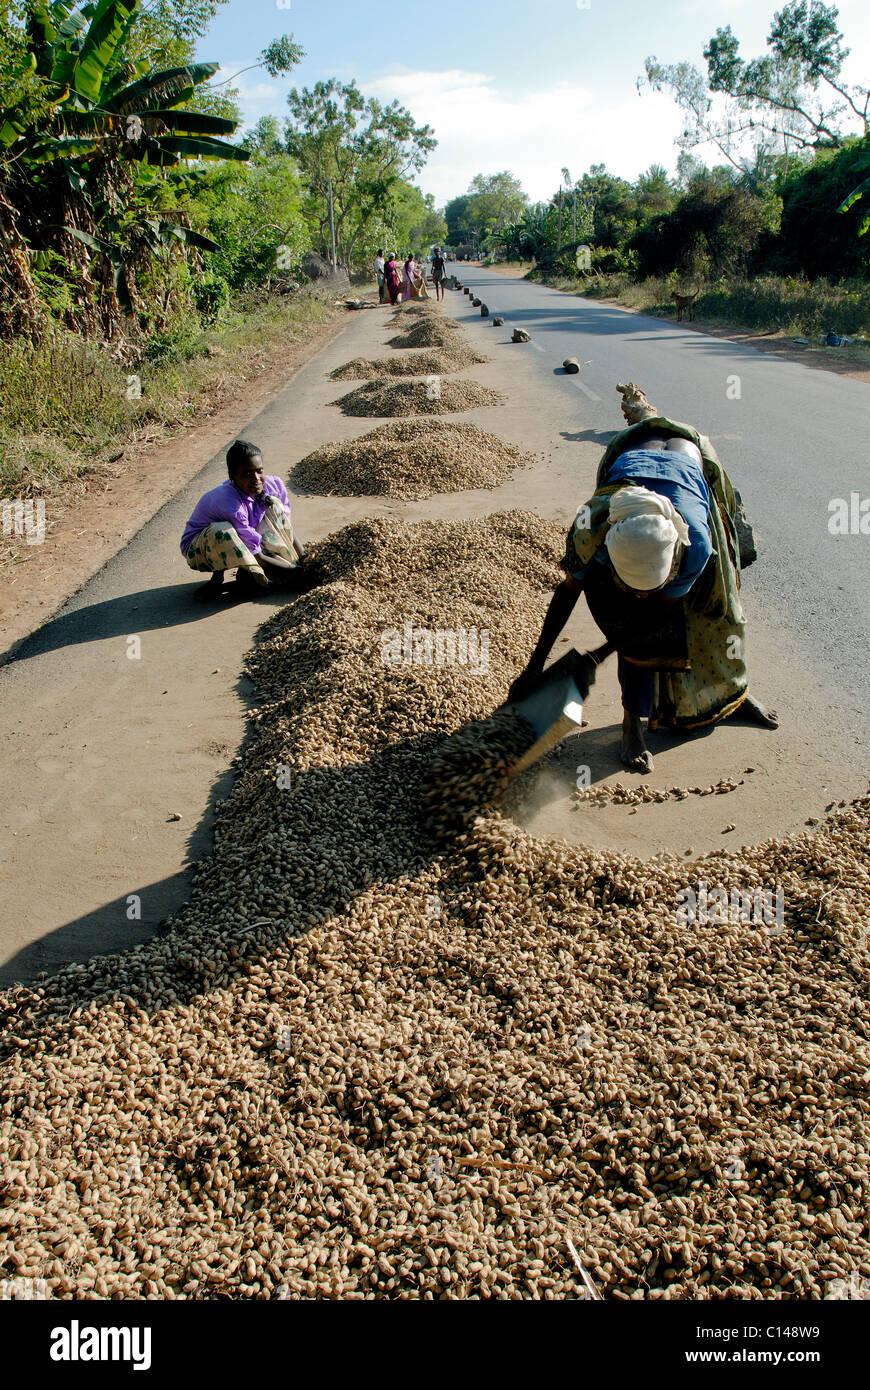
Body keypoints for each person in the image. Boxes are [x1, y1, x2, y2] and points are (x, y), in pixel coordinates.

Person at [509, 382, 777, 773]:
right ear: (610, 556)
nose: (639, 596)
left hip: (692, 454)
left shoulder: (695, 543)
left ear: (672, 562)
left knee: (720, 611)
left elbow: (652, 617)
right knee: (633, 631)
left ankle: (733, 693)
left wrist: (600, 654)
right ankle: (632, 722)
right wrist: (534, 669)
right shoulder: (594, 526)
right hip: (627, 456)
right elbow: (567, 593)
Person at [181, 439, 309, 601]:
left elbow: (286, 526)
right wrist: (297, 571)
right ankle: (218, 578)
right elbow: (258, 556)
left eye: (259, 471)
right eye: (247, 474)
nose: (255, 478)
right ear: (232, 476)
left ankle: (252, 574)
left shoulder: (273, 485)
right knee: (223, 530)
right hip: (201, 550)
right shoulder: (229, 502)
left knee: (272, 504)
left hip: (242, 539)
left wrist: (304, 557)